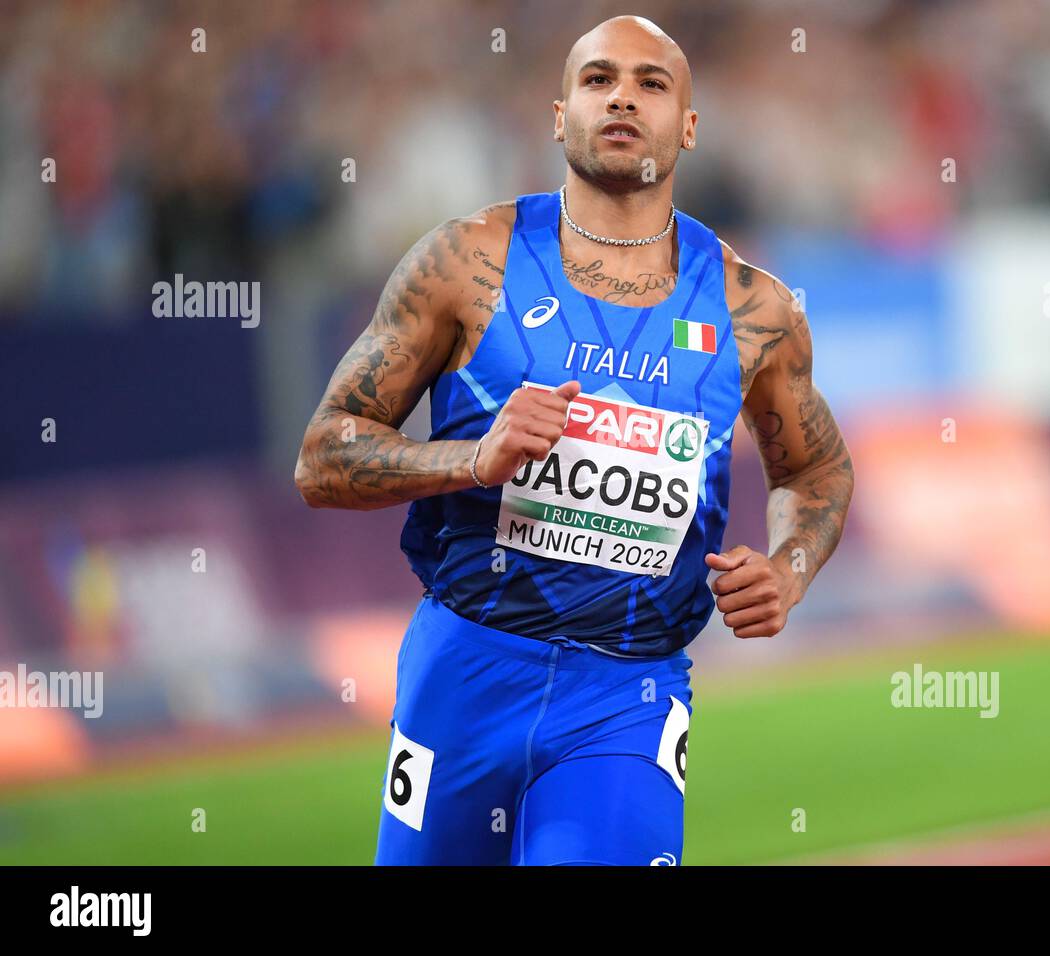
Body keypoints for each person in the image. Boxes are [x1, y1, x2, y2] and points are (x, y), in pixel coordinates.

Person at [294, 15, 854, 865]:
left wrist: (789, 570)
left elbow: (816, 469)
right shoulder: (464, 263)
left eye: (651, 83)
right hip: (463, 672)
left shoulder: (754, 311)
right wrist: (473, 459)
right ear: (560, 115)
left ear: (689, 126)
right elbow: (323, 455)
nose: (622, 95)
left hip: (627, 693)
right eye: (597, 80)